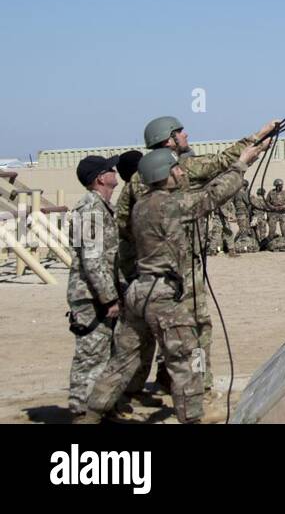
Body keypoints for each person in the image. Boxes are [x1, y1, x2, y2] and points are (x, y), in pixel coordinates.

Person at [79, 139, 270, 424]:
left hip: (138, 293)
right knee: (185, 360)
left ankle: (91, 415)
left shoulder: (140, 205)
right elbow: (213, 196)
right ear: (163, 175)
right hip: (163, 295)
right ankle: (193, 418)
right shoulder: (172, 204)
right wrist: (242, 164)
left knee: (121, 361)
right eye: (175, 170)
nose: (181, 173)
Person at [66, 154, 125, 417]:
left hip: (101, 294)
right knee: (90, 357)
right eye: (111, 169)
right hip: (91, 298)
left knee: (108, 356)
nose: (116, 172)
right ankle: (81, 413)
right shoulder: (89, 211)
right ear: (101, 178)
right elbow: (91, 261)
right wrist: (108, 298)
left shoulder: (102, 207)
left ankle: (103, 409)